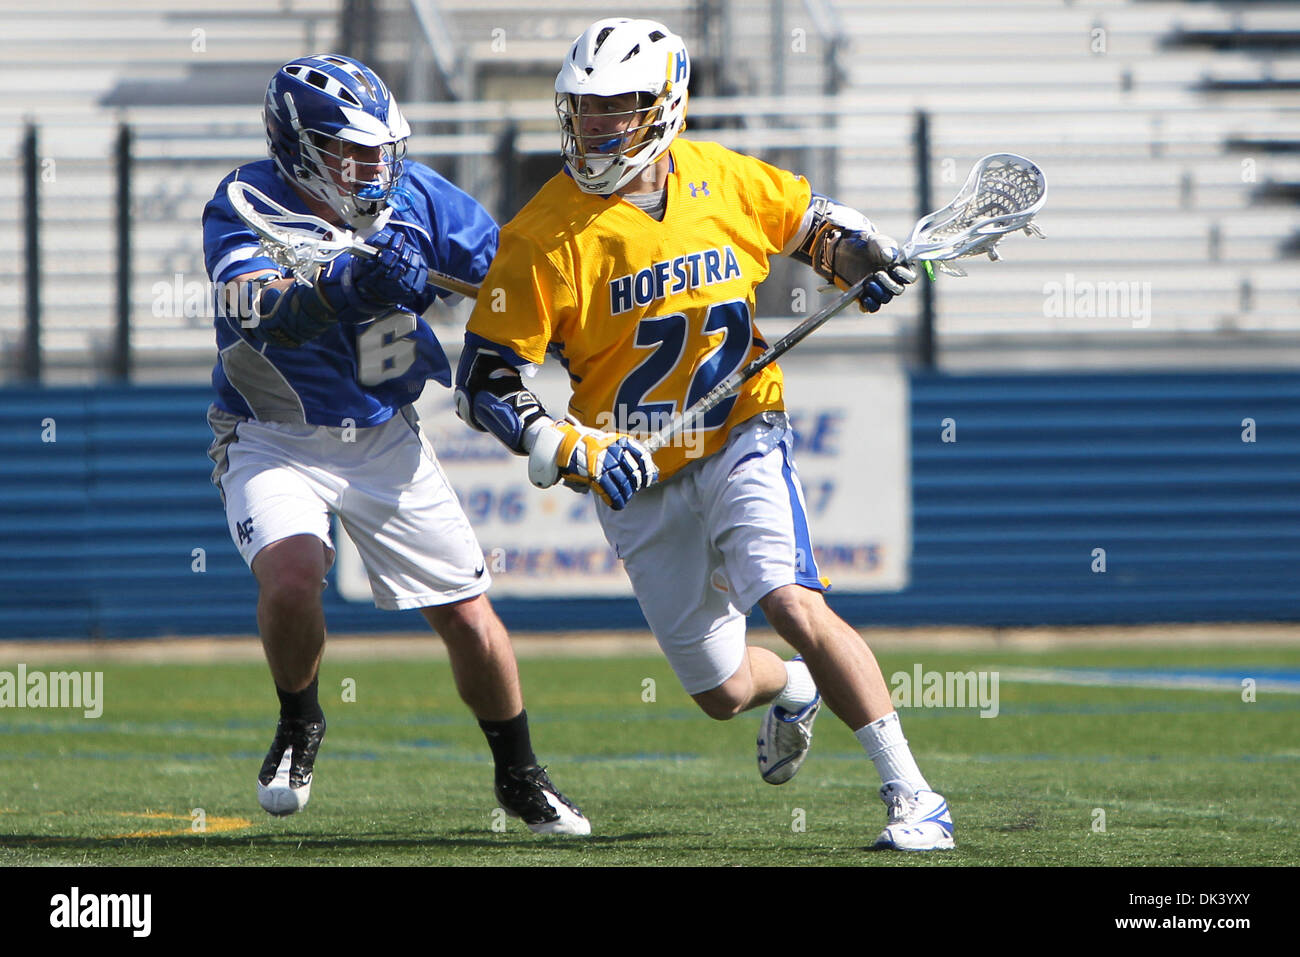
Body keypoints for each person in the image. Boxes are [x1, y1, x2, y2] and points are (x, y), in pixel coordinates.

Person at [454, 19, 952, 850]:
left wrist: (859, 261)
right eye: (586, 108)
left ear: (665, 105)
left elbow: (813, 225)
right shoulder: (544, 233)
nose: (598, 126)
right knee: (721, 690)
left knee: (791, 598)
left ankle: (914, 795)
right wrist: (574, 448)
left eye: (620, 107)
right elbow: (487, 385)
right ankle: (796, 687)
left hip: (740, 430)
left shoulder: (722, 178)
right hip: (636, 471)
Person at [201, 53, 588, 835]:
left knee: (470, 619)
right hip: (271, 433)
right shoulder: (246, 199)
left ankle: (519, 774)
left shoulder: (419, 199)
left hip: (384, 436)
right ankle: (300, 720)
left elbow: (513, 280)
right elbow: (256, 305)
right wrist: (344, 284)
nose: (373, 165)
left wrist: (584, 331)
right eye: (350, 148)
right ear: (302, 145)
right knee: (291, 577)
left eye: (379, 146)